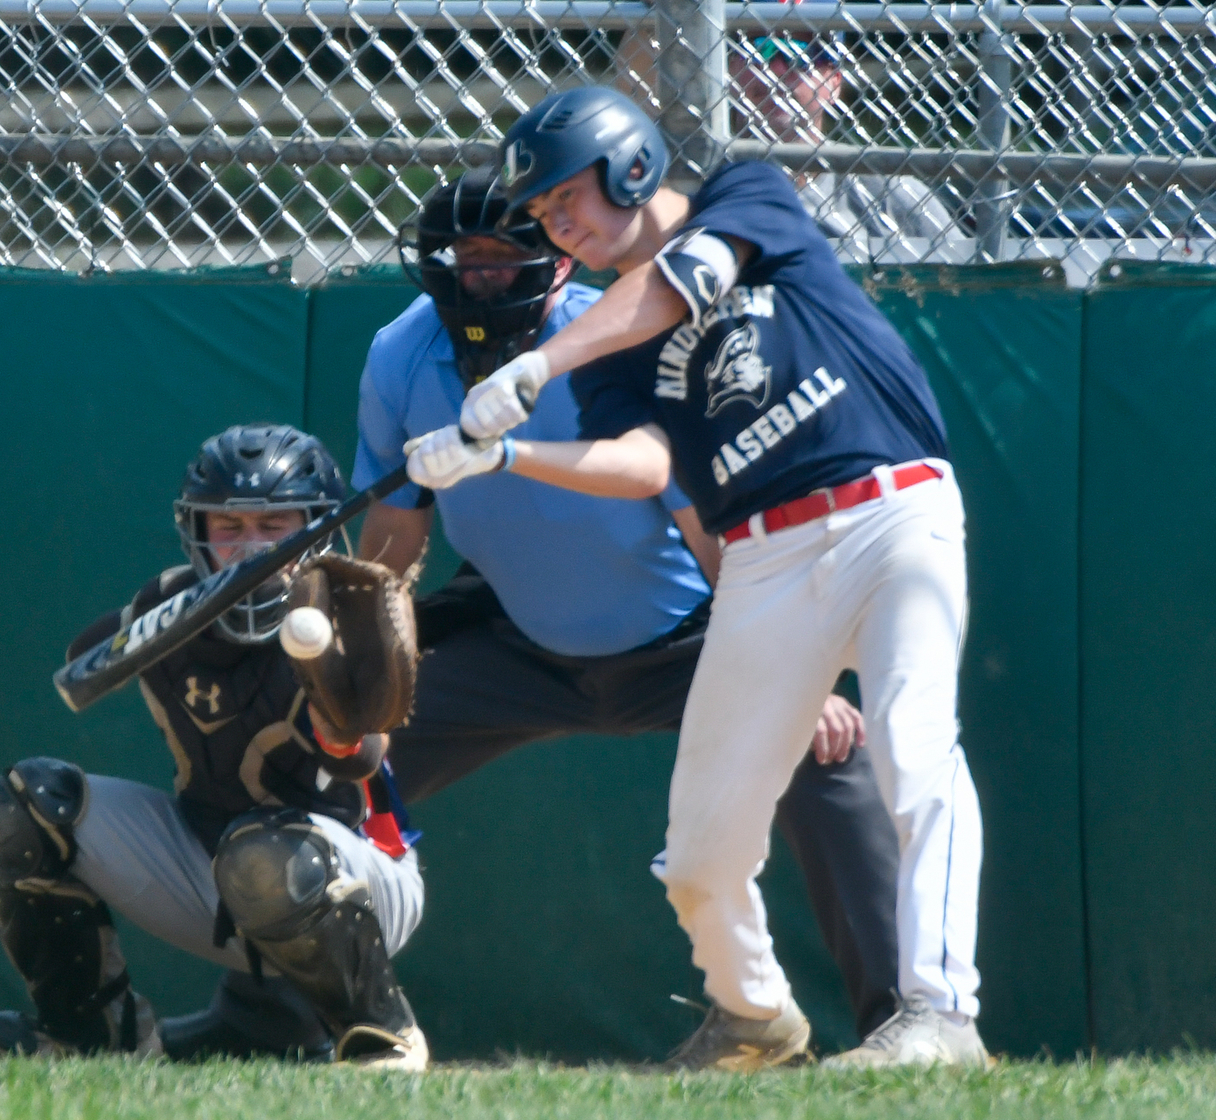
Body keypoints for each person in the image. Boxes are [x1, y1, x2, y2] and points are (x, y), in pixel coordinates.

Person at [405, 87, 987, 1069]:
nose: (558, 224)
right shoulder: (608, 358)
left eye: (567, 197)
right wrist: (504, 456)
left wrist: (535, 367)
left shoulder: (745, 197)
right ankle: (753, 1012)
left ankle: (940, 1016)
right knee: (701, 850)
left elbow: (680, 281)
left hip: (890, 509)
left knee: (912, 747)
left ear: (631, 164)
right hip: (760, 556)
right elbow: (643, 462)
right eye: (543, 212)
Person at [0, 423, 428, 1070]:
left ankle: (383, 1034)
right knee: (24, 805)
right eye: (228, 526)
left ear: (316, 529)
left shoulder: (343, 611)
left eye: (274, 526)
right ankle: (91, 1035)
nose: (250, 545)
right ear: (196, 530)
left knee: (263, 851)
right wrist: (180, 615)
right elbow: (82, 660)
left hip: (354, 879)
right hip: (208, 862)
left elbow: (360, 757)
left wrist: (333, 702)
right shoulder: (172, 601)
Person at [614, 23, 963, 251]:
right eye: (759, 48)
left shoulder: (886, 191)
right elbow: (631, 95)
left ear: (834, 83)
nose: (776, 69)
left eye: (801, 53)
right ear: (730, 71)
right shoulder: (697, 175)